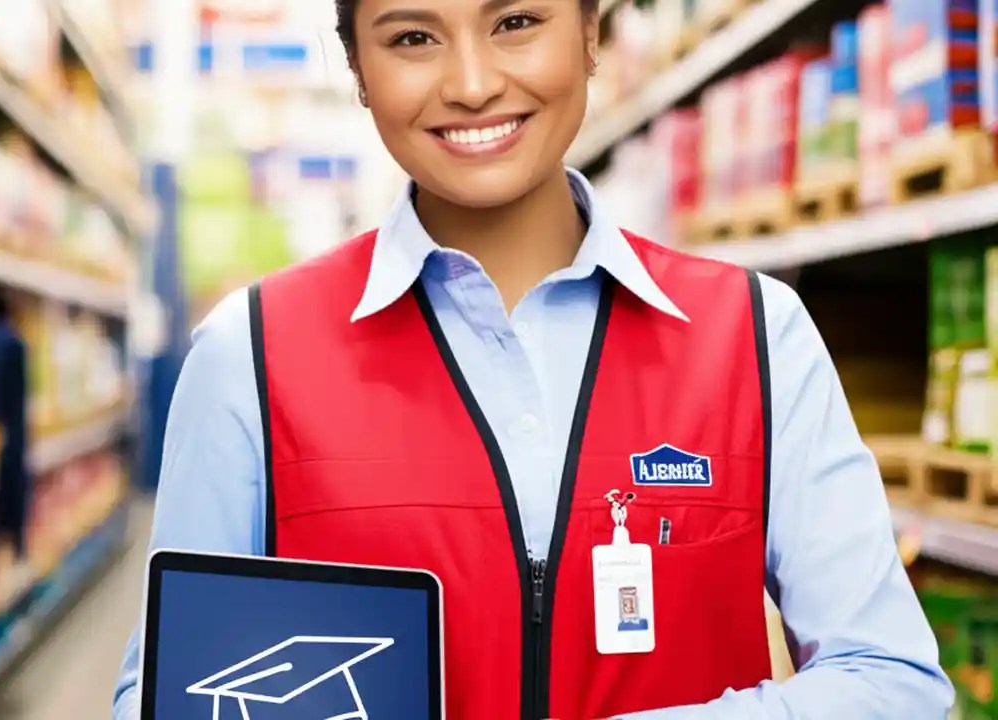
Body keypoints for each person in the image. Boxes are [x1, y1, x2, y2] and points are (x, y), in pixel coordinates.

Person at [115, 0, 954, 717]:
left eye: (516, 21)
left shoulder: (756, 336)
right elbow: (172, 688)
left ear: (593, 30)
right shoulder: (250, 356)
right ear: (358, 70)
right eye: (413, 38)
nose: (473, 83)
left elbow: (890, 678)